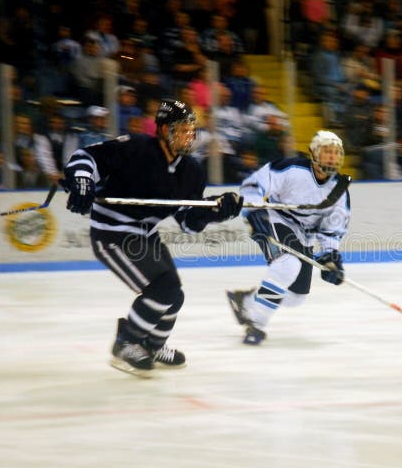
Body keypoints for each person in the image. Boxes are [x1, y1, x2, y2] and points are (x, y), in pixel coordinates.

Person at [63, 99, 243, 375]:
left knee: (174, 295)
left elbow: (188, 222)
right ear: (163, 130)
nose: (189, 135)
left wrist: (216, 210)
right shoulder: (135, 148)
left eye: (191, 130)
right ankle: (126, 343)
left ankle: (152, 345)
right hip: (112, 233)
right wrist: (83, 180)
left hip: (145, 234)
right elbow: (85, 157)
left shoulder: (191, 170)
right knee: (164, 288)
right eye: (182, 129)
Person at [226, 130, 351, 345]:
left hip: (304, 236)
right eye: (327, 151)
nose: (332, 156)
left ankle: (246, 301)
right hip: (275, 221)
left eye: (336, 152)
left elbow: (331, 229)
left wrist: (331, 257)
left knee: (296, 298)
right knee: (288, 264)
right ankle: (256, 323)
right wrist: (254, 211)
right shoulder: (291, 168)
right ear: (314, 153)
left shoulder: (339, 189)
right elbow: (252, 185)